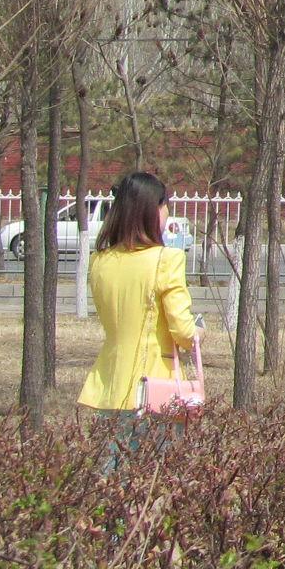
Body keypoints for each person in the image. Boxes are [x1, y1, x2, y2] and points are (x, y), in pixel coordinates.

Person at [79, 171, 199, 469]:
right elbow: (183, 330)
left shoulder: (100, 260)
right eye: (164, 206)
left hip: (108, 384)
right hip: (156, 389)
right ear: (152, 210)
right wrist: (198, 333)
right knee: (156, 476)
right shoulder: (166, 260)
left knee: (113, 477)